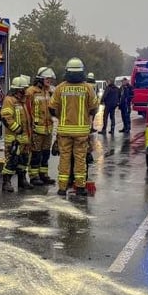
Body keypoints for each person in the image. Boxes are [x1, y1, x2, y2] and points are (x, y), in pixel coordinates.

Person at [49, 58, 99, 196]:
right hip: (82, 131)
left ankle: (62, 188)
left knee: (64, 158)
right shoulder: (87, 88)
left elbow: (52, 108)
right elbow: (94, 108)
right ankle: (80, 187)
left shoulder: (60, 88)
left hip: (64, 130)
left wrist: (61, 117)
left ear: (67, 71)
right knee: (80, 159)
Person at [0, 75, 33, 192]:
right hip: (14, 139)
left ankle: (22, 181)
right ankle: (6, 183)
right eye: (24, 88)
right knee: (11, 161)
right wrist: (17, 129)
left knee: (23, 161)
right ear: (19, 89)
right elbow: (6, 117)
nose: (26, 91)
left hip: (24, 139)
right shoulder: (9, 100)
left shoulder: (23, 101)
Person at [25, 67, 57, 185]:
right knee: (35, 154)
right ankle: (34, 176)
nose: (49, 81)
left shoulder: (49, 92)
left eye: (50, 79)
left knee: (45, 154)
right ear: (40, 78)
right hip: (36, 129)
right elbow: (27, 109)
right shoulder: (31, 92)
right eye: (47, 78)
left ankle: (43, 175)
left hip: (48, 129)